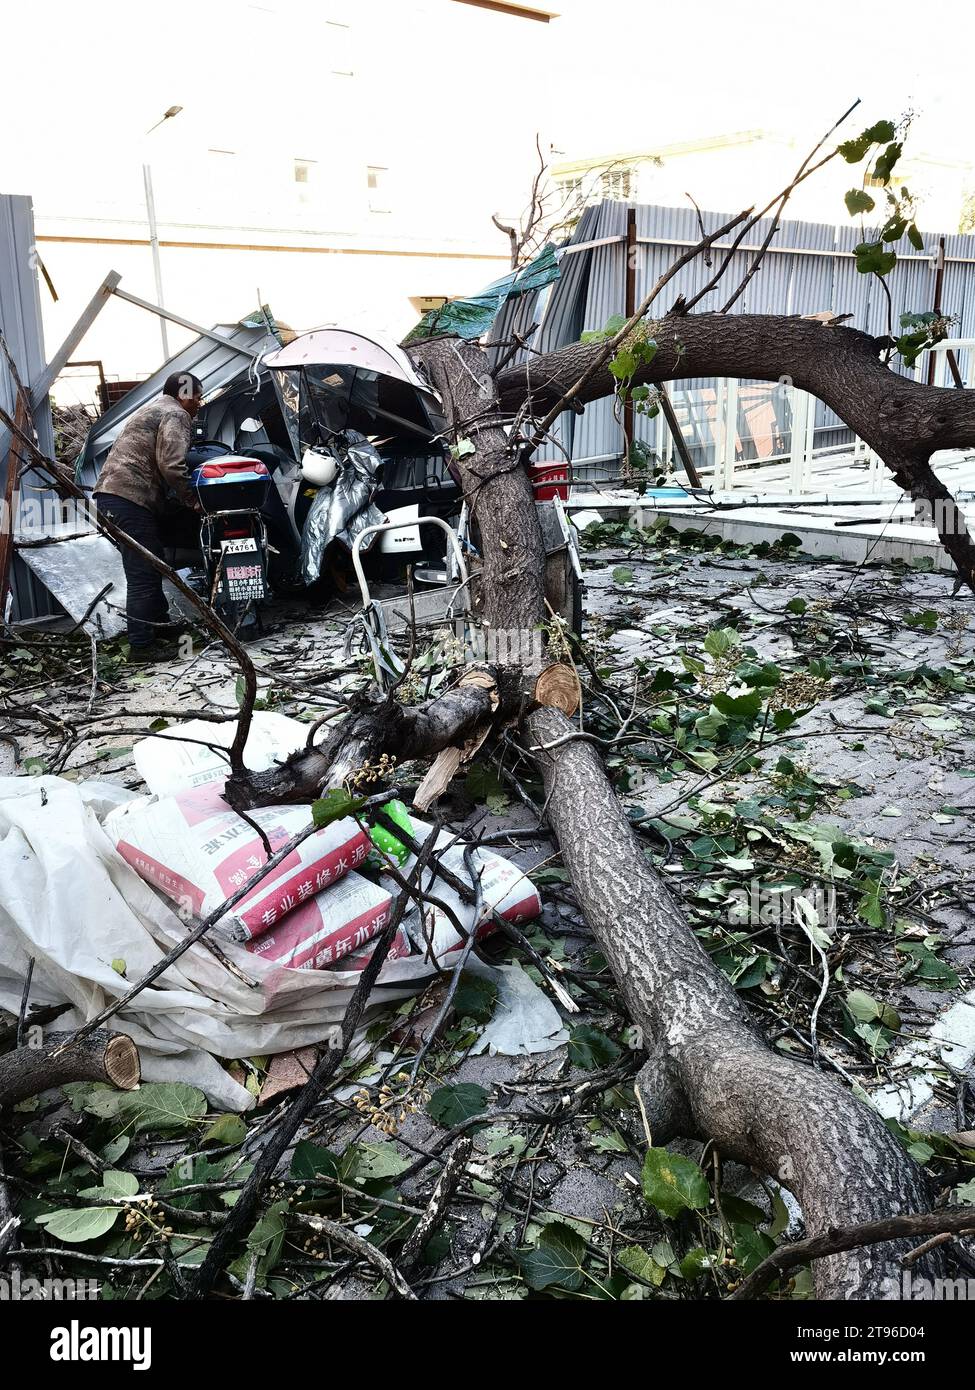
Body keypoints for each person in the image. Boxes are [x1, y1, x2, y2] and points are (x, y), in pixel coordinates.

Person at [94, 371, 203, 651]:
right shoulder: (176, 414)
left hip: (114, 498)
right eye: (197, 396)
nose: (200, 402)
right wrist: (192, 499)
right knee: (143, 574)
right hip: (129, 498)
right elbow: (171, 465)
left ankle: (162, 627)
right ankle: (142, 647)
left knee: (152, 566)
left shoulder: (155, 407)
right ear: (184, 395)